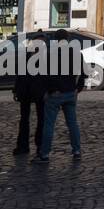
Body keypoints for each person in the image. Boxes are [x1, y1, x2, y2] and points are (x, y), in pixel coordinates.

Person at [35, 29, 86, 162]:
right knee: (72, 123)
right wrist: (77, 89)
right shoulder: (76, 54)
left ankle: (45, 153)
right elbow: (83, 73)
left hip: (55, 94)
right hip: (70, 92)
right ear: (68, 39)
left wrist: (48, 91)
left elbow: (44, 76)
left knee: (49, 124)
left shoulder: (49, 54)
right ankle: (77, 150)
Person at [12, 34, 46, 156]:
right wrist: (16, 90)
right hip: (25, 91)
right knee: (24, 119)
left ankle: (40, 145)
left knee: (41, 119)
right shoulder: (26, 55)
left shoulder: (46, 57)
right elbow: (20, 75)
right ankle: (23, 145)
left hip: (40, 92)